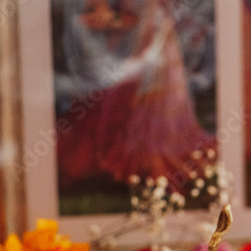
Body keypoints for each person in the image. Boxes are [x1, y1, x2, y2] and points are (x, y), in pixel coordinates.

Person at [56, 0, 215, 189]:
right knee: (123, 99)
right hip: (141, 41)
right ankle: (137, 156)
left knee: (151, 105)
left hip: (154, 43)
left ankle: (146, 158)